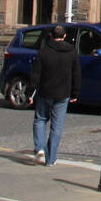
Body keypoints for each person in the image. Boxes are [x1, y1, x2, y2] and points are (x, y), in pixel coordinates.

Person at [30, 24, 81, 166]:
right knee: (56, 126)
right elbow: (76, 74)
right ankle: (51, 159)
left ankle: (40, 148)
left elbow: (35, 75)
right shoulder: (71, 51)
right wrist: (75, 92)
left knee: (40, 119)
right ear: (64, 36)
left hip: (45, 91)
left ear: (51, 36)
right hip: (63, 93)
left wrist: (30, 92)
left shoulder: (44, 51)